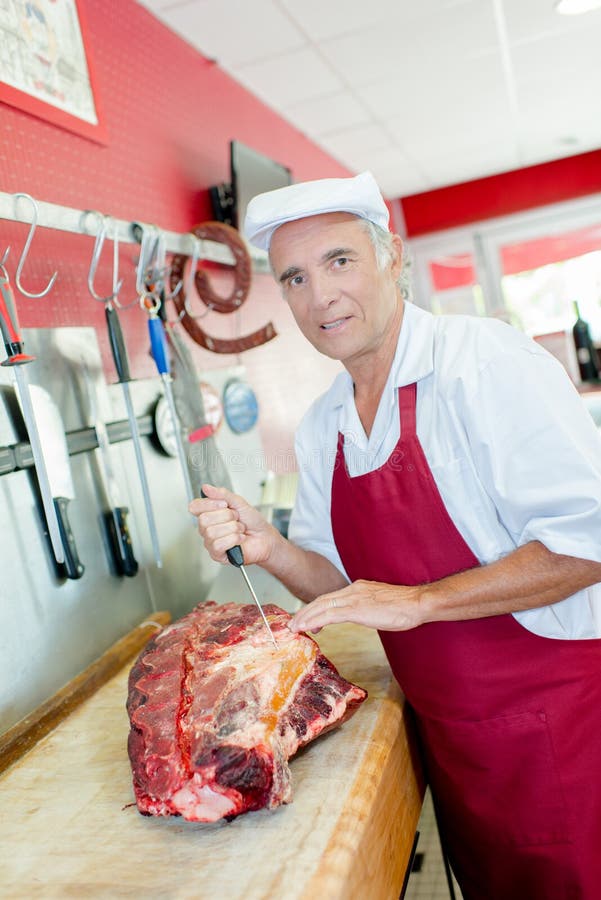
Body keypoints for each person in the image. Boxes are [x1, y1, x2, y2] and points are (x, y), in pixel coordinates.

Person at [190, 171, 601, 900]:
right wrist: (272, 550)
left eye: (339, 261)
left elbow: (584, 543)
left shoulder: (483, 365)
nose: (320, 297)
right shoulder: (325, 425)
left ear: (393, 257)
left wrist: (419, 602)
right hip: (454, 738)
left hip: (565, 726)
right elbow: (344, 592)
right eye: (295, 278)